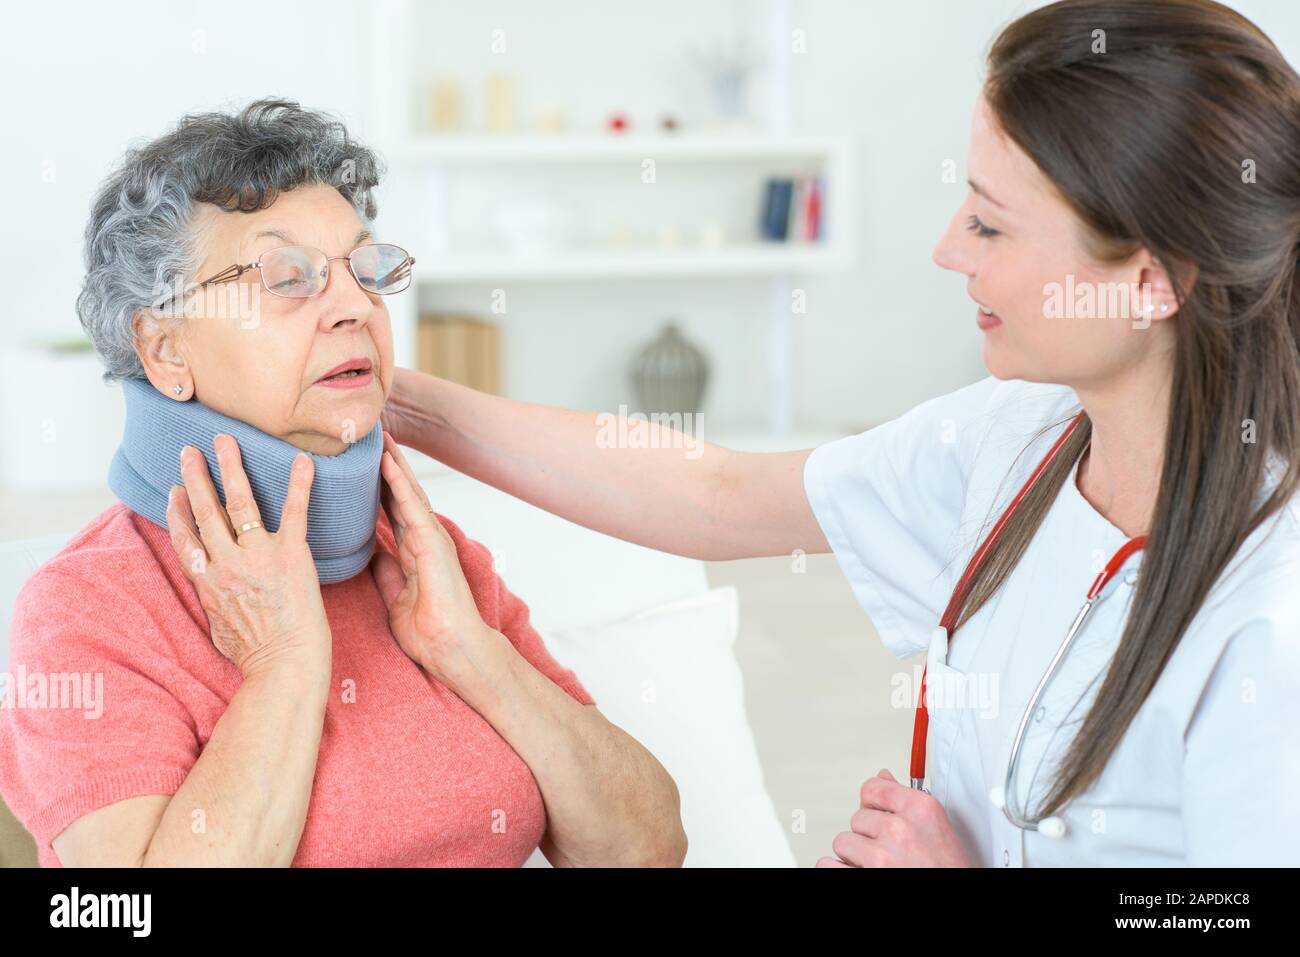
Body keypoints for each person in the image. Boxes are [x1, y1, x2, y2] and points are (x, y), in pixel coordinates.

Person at [380, 0, 1300, 866]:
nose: (948, 248)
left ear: (1148, 281)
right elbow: (720, 497)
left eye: (989, 222)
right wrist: (395, 400)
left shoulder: (1268, 615)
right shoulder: (1019, 437)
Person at [0, 99, 687, 868]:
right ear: (164, 349)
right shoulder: (90, 610)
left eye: (364, 271)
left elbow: (646, 850)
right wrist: (284, 661)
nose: (356, 306)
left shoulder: (425, 557)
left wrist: (472, 653)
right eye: (288, 277)